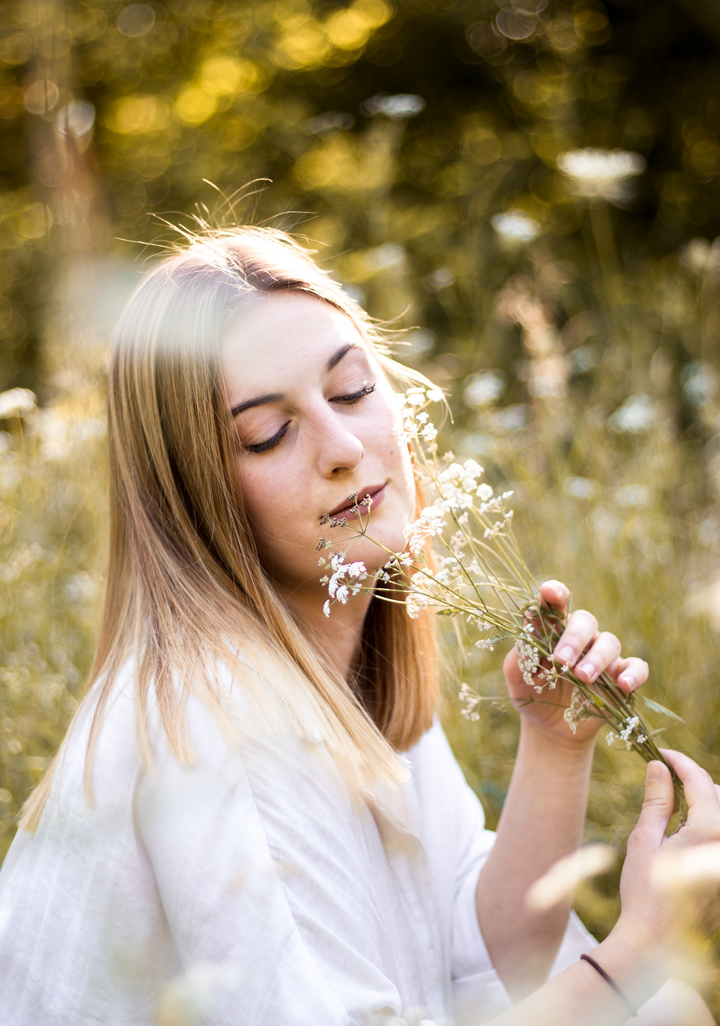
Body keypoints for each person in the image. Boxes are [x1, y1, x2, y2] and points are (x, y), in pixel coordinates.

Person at [0, 226, 718, 1026]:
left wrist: (554, 746)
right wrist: (643, 942)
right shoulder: (217, 726)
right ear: (197, 495)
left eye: (351, 391)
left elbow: (491, 963)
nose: (343, 447)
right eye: (267, 434)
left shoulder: (334, 657)